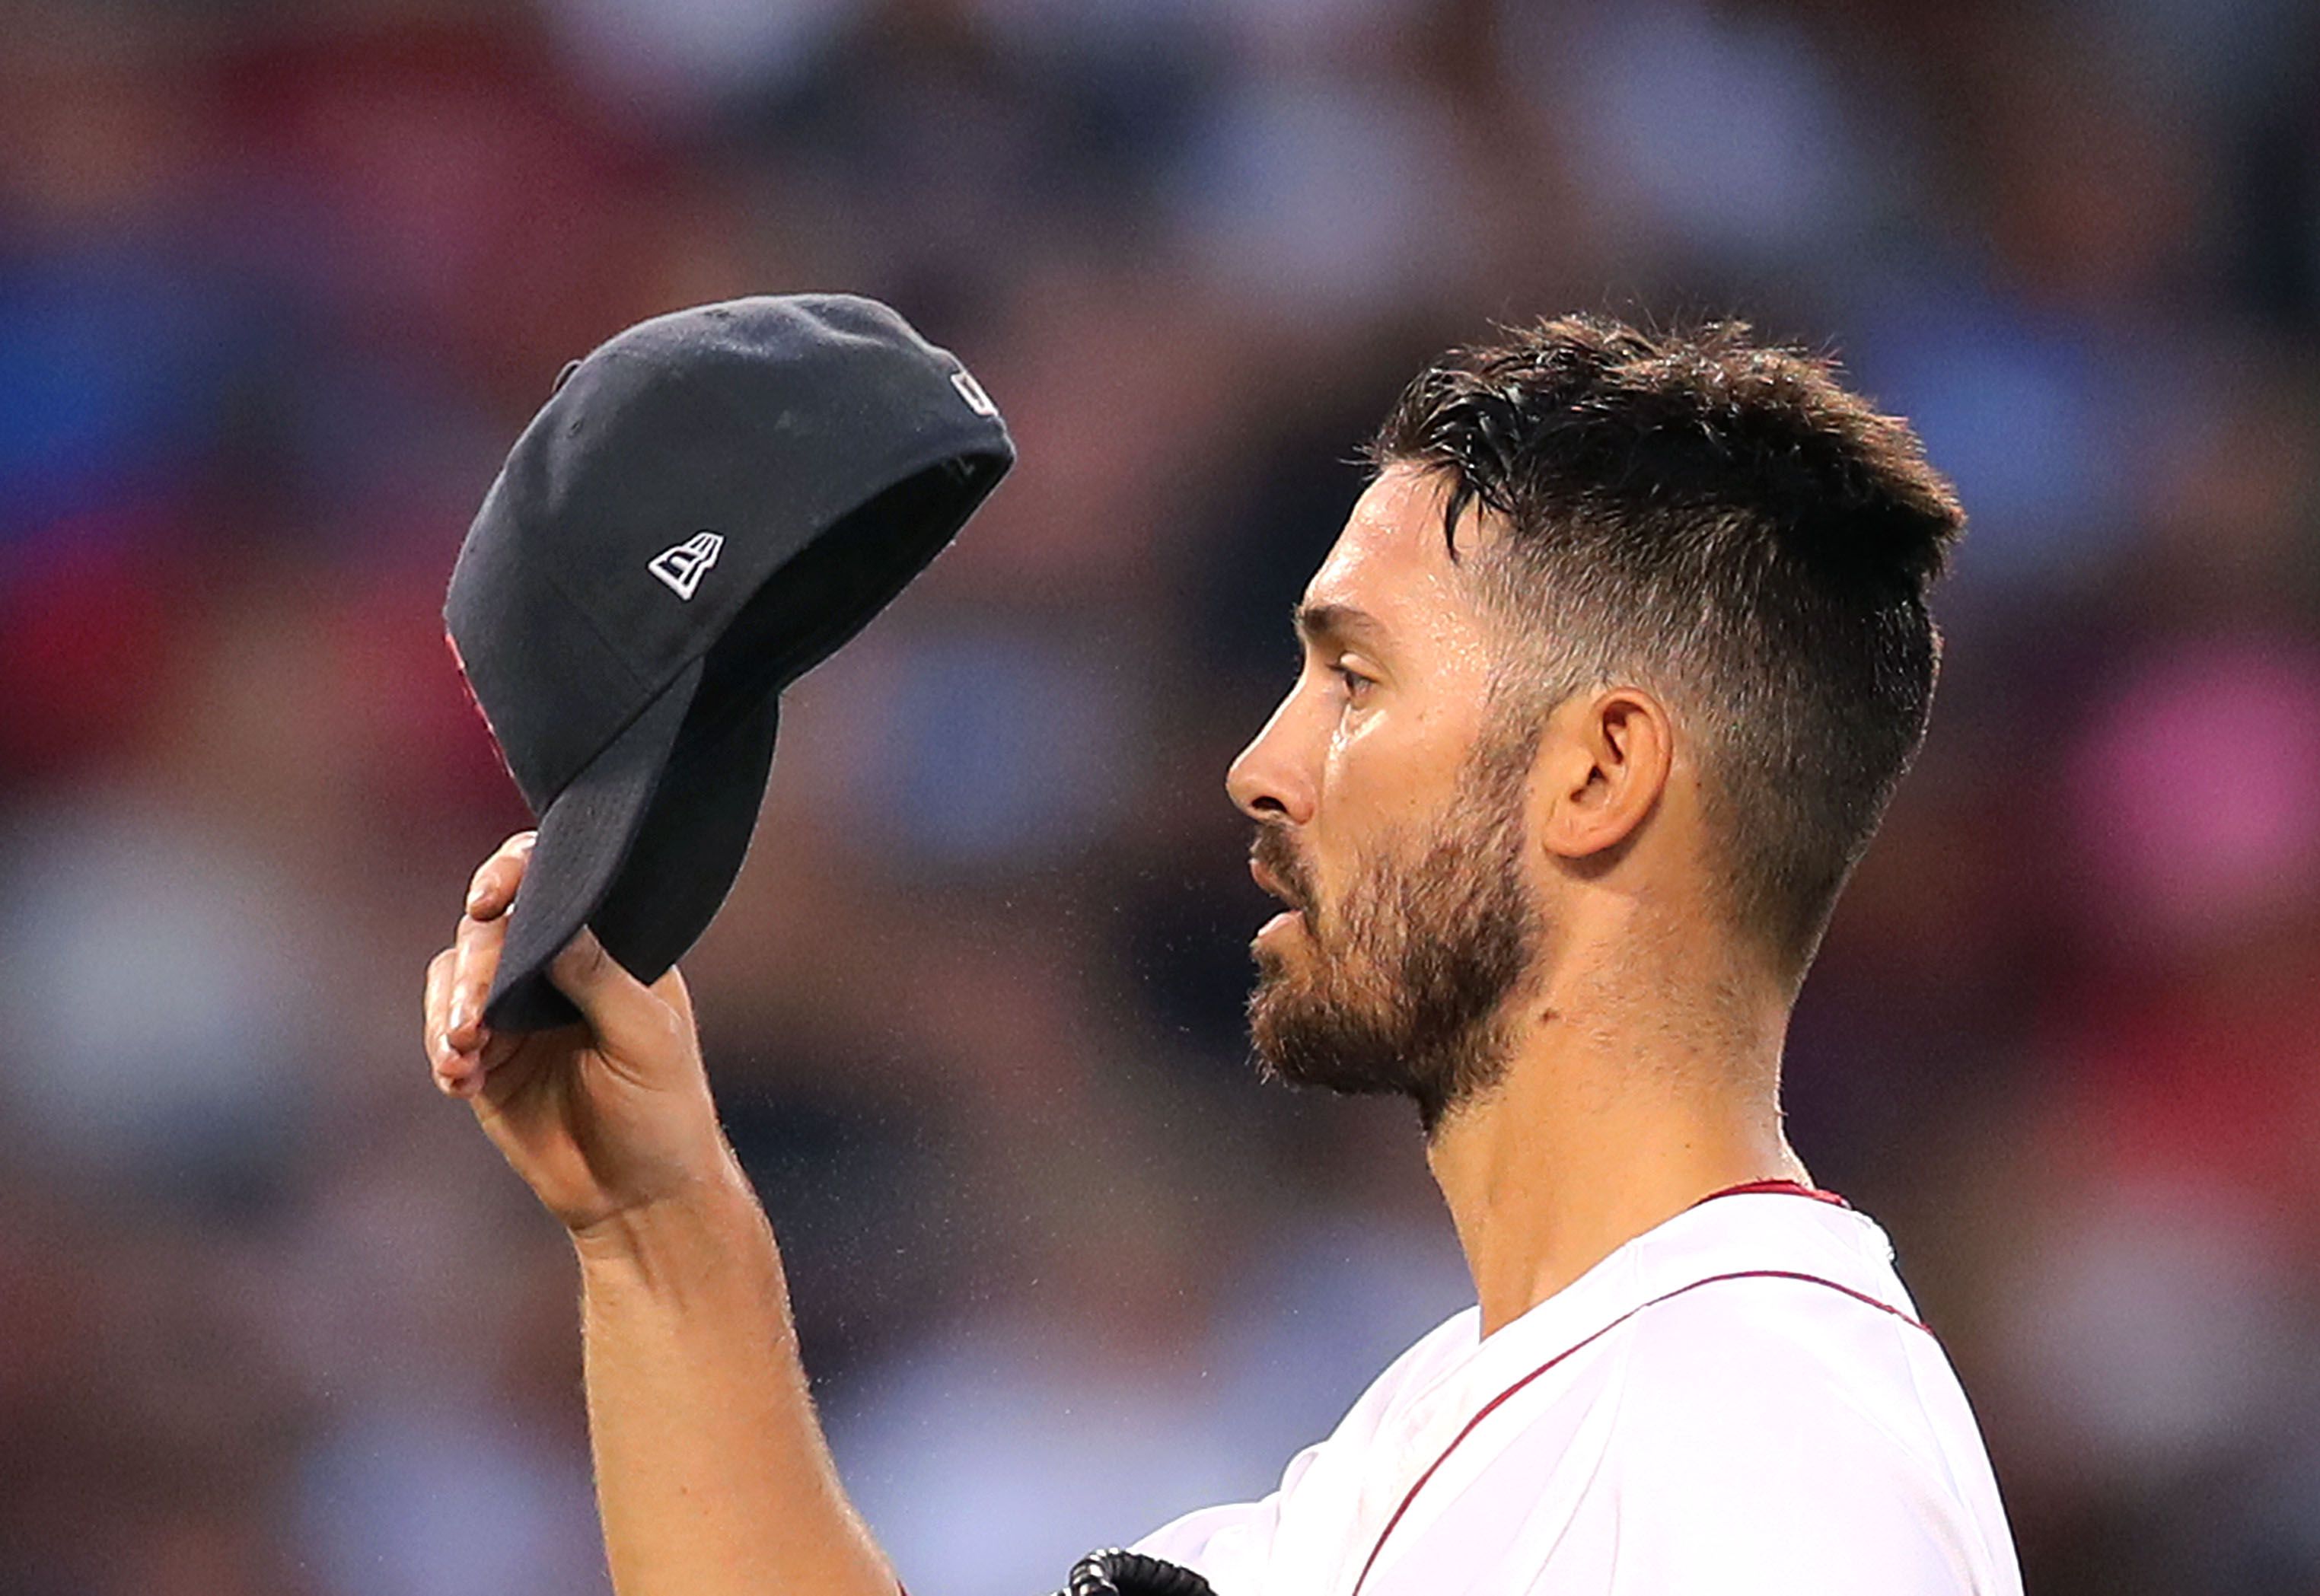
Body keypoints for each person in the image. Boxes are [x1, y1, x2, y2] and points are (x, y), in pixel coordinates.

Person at [422, 314, 2024, 1595]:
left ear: (1600, 770)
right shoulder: (1463, 1430)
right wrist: (655, 1224)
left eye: (1355, 675)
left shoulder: (1755, 1449)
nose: (1263, 760)